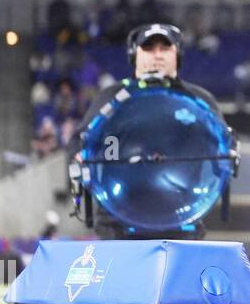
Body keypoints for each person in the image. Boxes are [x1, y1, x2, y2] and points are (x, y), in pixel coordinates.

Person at [66, 24, 232, 239]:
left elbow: (224, 148)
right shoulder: (111, 97)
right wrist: (80, 157)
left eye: (165, 48)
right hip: (117, 224)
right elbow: (79, 142)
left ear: (177, 54)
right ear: (134, 55)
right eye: (149, 49)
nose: (157, 55)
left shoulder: (199, 101)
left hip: (182, 221)